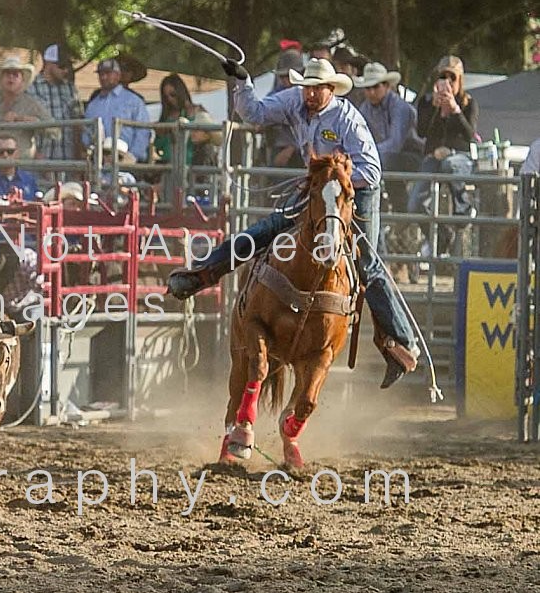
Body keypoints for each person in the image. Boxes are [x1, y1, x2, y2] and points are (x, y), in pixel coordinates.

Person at [167, 56, 421, 388]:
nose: (310, 94)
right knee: (267, 228)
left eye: (317, 89)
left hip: (356, 190)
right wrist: (242, 81)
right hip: (319, 187)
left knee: (367, 261)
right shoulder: (294, 101)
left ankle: (400, 343)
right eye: (307, 88)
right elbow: (254, 113)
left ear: (331, 89)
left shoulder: (347, 119)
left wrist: (336, 177)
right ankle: (202, 273)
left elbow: (372, 171)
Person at [409, 55, 479, 214]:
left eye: (452, 78)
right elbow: (422, 132)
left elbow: (469, 135)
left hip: (459, 156)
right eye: (443, 77)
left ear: (460, 80)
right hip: (433, 156)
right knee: (414, 206)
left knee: (450, 164)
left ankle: (464, 209)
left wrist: (455, 111)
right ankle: (443, 237)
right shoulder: (426, 103)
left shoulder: (469, 103)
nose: (447, 83)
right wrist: (435, 108)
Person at [0, 56, 51, 158]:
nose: (11, 77)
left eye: (15, 74)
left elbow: (54, 130)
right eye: (7, 74)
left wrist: (33, 121)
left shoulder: (31, 103)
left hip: (21, 166)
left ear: (22, 80)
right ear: (1, 78)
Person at [354, 61, 420, 176]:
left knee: (385, 160)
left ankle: (398, 195)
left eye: (375, 87)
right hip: (381, 154)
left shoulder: (399, 107)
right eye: (368, 88)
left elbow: (395, 144)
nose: (371, 92)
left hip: (412, 154)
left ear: (387, 86)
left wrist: (367, 152)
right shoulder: (365, 108)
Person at [83, 56, 150, 162]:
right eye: (101, 74)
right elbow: (86, 132)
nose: (104, 77)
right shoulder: (93, 104)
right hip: (98, 160)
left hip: (125, 159)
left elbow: (143, 130)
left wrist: (133, 156)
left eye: (108, 73)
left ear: (118, 75)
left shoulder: (134, 101)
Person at [28, 43, 82, 162]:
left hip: (68, 159)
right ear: (48, 63)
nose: (66, 70)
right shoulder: (30, 89)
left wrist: (79, 156)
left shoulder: (70, 89)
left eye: (68, 66)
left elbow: (78, 125)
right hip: (41, 159)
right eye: (62, 66)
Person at [153, 73, 219, 170]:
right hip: (168, 163)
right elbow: (159, 146)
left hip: (191, 162)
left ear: (180, 92)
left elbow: (208, 136)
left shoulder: (198, 112)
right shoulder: (166, 116)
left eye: (173, 95)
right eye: (166, 97)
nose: (170, 99)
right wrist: (161, 132)